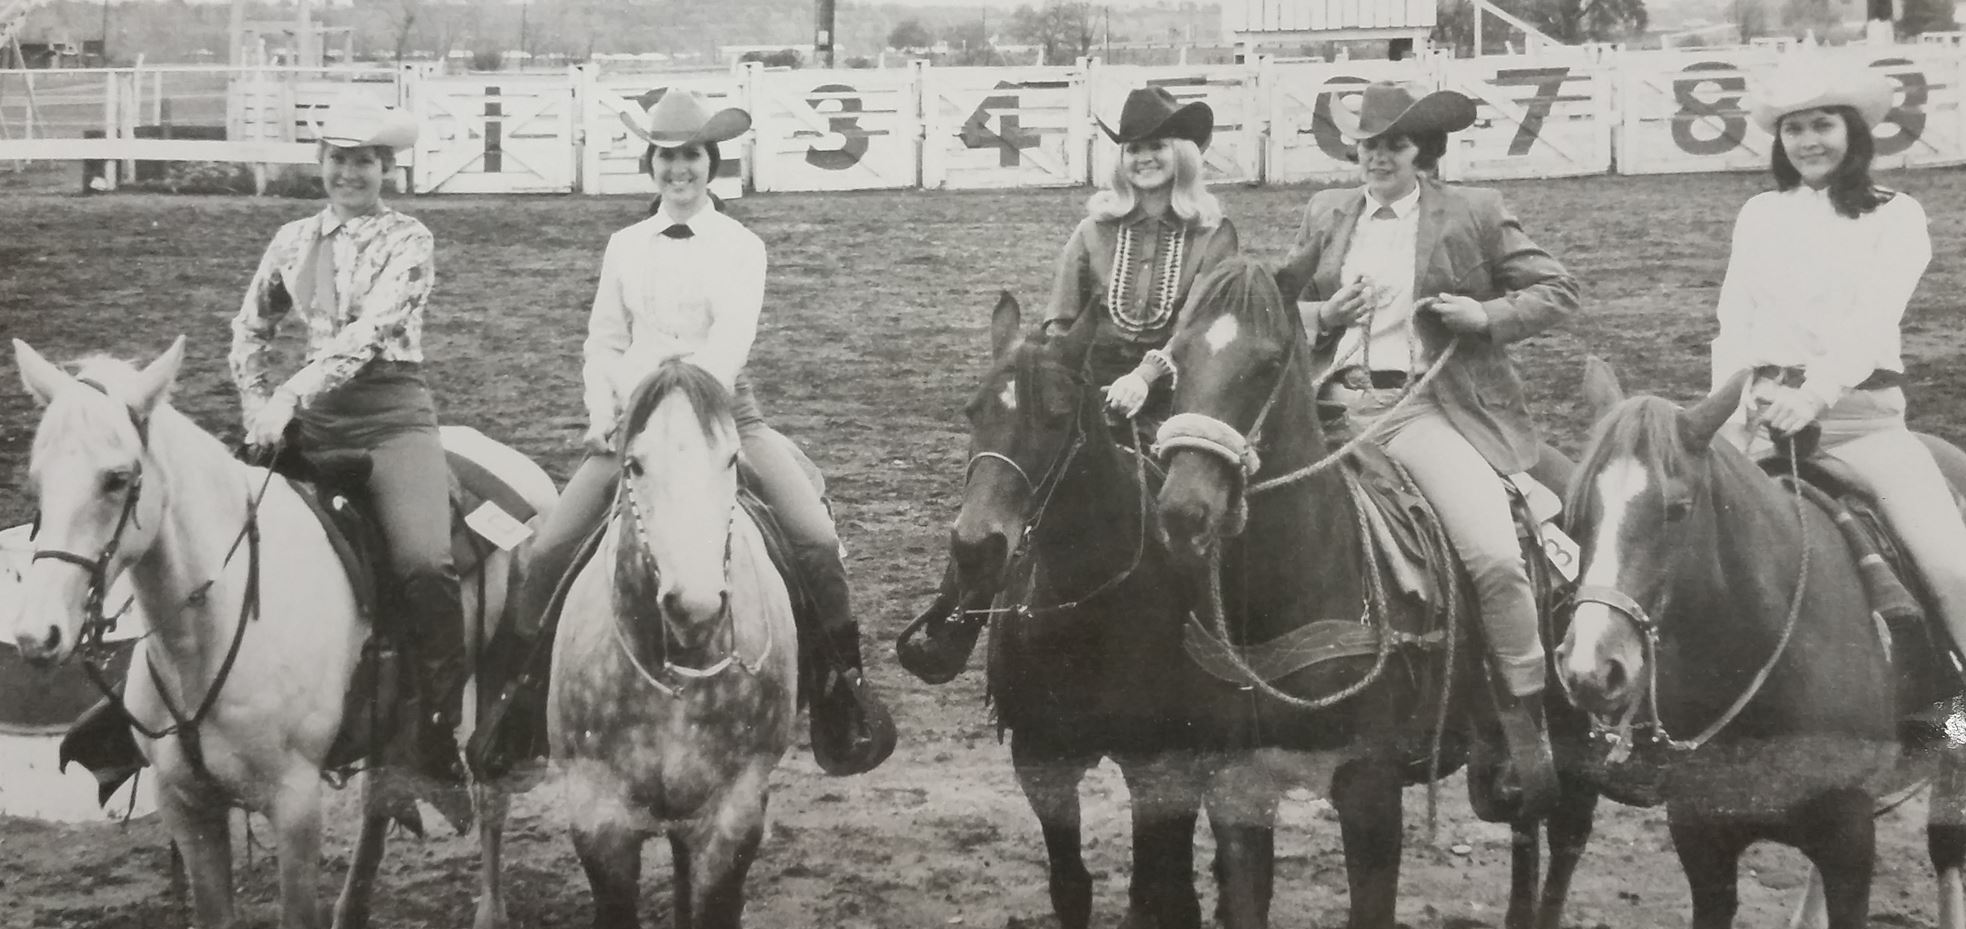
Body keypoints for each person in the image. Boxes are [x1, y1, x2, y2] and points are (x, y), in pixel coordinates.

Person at [469, 89, 896, 778]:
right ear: (651, 163)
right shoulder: (624, 245)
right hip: (633, 419)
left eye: (691, 156)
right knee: (548, 548)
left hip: (725, 410)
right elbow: (603, 341)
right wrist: (601, 406)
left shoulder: (741, 245)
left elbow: (730, 339)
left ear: (710, 162)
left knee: (812, 534)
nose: (679, 170)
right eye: (667, 156)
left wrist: (685, 409)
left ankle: (841, 691)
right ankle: (519, 707)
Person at [1274, 80, 1581, 818]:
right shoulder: (1327, 211)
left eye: (1394, 144)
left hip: (1425, 407)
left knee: (1495, 554)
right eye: (1368, 144)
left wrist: (1484, 313)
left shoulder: (1471, 212)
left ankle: (1521, 715)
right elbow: (1274, 299)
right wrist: (1321, 313)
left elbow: (1558, 289)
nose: (1378, 157)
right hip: (1330, 407)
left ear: (1422, 150)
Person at [897, 85, 1239, 683]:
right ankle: (960, 615)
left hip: (1182, 397)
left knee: (1203, 499)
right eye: (1133, 148)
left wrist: (1146, 375)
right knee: (1010, 466)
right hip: (1088, 391)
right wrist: (1064, 381)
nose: (1143, 158)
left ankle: (1227, 637)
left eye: (1156, 145)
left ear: (1181, 153)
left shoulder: (1215, 235)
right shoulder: (1092, 232)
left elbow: (1201, 326)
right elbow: (1061, 322)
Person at [1716, 54, 1966, 716]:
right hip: (1758, 413)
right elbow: (1733, 322)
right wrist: (1731, 413)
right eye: (1794, 130)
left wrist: (1811, 395)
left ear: (1854, 132)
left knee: (1954, 568)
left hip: (1861, 422)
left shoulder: (1896, 216)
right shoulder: (1759, 214)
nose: (1809, 142)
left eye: (1823, 126)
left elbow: (1872, 324)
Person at [228, 93, 468, 792]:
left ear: (384, 167)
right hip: (304, 417)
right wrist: (254, 402)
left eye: (363, 161)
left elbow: (368, 335)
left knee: (424, 560)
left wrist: (289, 394)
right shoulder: (291, 240)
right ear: (321, 162)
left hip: (391, 416)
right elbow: (251, 326)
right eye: (338, 159)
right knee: (206, 527)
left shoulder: (410, 241)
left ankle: (436, 724)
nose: (349, 173)